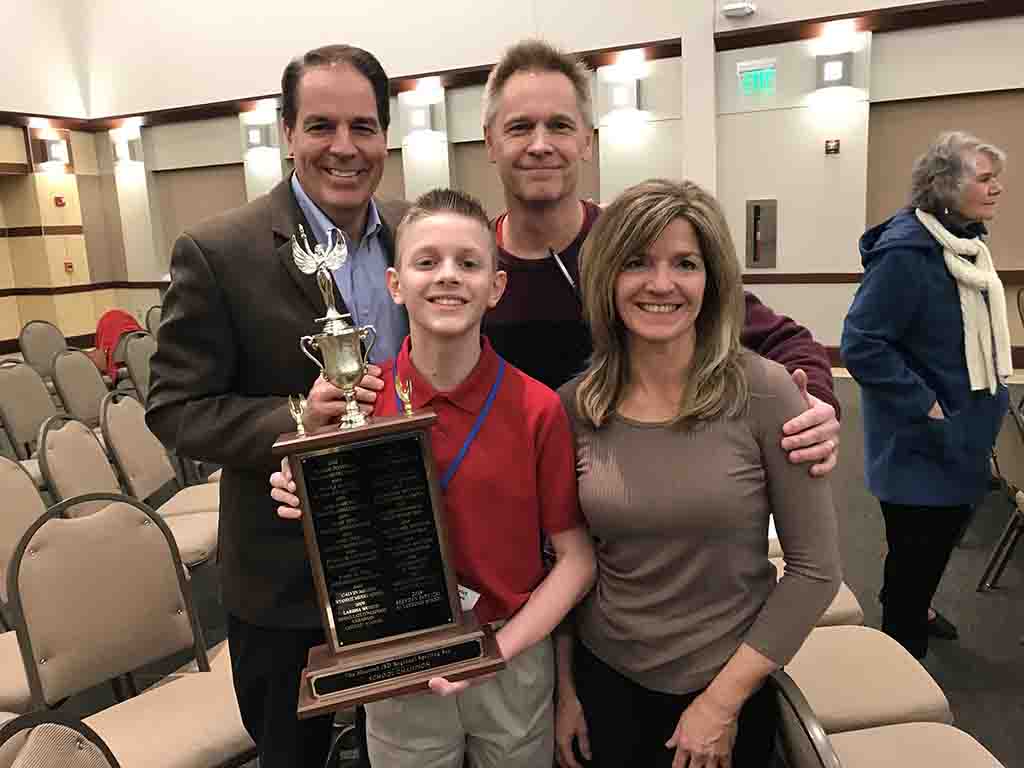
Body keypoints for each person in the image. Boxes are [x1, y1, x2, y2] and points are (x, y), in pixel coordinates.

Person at [357, 39, 842, 476]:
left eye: (560, 127)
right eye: (520, 127)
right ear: (490, 141)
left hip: (630, 502)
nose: (541, 145)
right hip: (509, 507)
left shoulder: (636, 252)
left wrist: (816, 402)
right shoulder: (465, 271)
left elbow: (782, 339)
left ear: (586, 140)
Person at [146, 44, 410, 768]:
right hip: (287, 579)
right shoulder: (218, 250)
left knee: (415, 749)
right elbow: (175, 408)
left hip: (415, 555)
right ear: (287, 132)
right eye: (321, 125)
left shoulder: (418, 237)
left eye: (363, 126)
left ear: (386, 134)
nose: (344, 148)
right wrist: (298, 420)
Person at [271, 188, 597, 768]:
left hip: (511, 656)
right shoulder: (358, 408)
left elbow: (576, 559)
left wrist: (498, 649)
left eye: (468, 263)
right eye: (427, 261)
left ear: (495, 288)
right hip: (400, 666)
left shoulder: (538, 409)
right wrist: (310, 497)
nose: (448, 277)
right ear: (396, 284)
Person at [554, 179, 841, 768]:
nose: (661, 284)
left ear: (711, 282)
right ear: (608, 277)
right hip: (606, 676)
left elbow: (816, 571)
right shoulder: (574, 407)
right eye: (637, 263)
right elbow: (564, 563)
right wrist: (564, 691)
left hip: (729, 683)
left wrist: (720, 704)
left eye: (684, 263)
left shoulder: (765, 393)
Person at [841, 131, 1009, 658]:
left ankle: (917, 603)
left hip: (961, 435)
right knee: (916, 552)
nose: (997, 188)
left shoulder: (965, 245)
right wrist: (926, 405)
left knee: (937, 542)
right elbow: (862, 344)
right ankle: (901, 652)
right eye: (984, 178)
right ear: (944, 186)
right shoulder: (907, 255)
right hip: (921, 442)